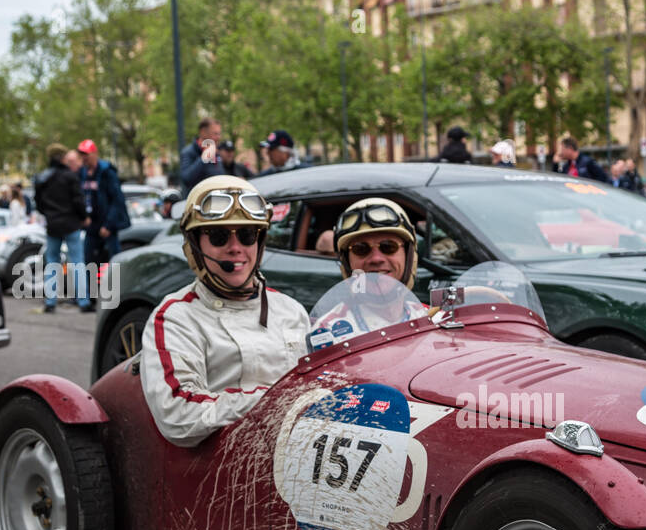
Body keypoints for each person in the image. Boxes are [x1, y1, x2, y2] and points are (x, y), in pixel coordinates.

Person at [140, 176, 310, 448]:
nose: (236, 248)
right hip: (222, 474)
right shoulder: (175, 317)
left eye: (247, 235)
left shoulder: (291, 310)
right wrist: (278, 401)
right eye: (219, 236)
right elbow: (177, 414)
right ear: (194, 246)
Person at [308, 198, 429, 342]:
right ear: (347, 263)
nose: (376, 258)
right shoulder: (328, 334)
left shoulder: (434, 318)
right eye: (361, 249)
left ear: (409, 256)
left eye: (388, 246)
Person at [33, 143, 92, 313]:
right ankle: (83, 301)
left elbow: (38, 203)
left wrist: (49, 214)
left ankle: (50, 301)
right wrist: (84, 217)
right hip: (71, 223)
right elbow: (78, 200)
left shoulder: (42, 178)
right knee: (77, 262)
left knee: (52, 261)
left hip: (53, 224)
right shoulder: (70, 176)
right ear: (62, 158)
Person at [77, 139, 131, 266]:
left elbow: (117, 200)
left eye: (86, 154)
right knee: (89, 260)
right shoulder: (83, 173)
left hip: (107, 226)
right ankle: (92, 286)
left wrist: (108, 225)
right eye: (82, 154)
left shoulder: (107, 172)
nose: (84, 158)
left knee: (114, 260)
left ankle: (117, 285)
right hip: (91, 226)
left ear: (95, 153)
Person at [180, 117, 224, 194]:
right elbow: (186, 179)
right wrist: (204, 158)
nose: (218, 137)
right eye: (215, 134)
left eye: (219, 134)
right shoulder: (188, 152)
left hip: (216, 201)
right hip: (196, 202)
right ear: (203, 132)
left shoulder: (216, 152)